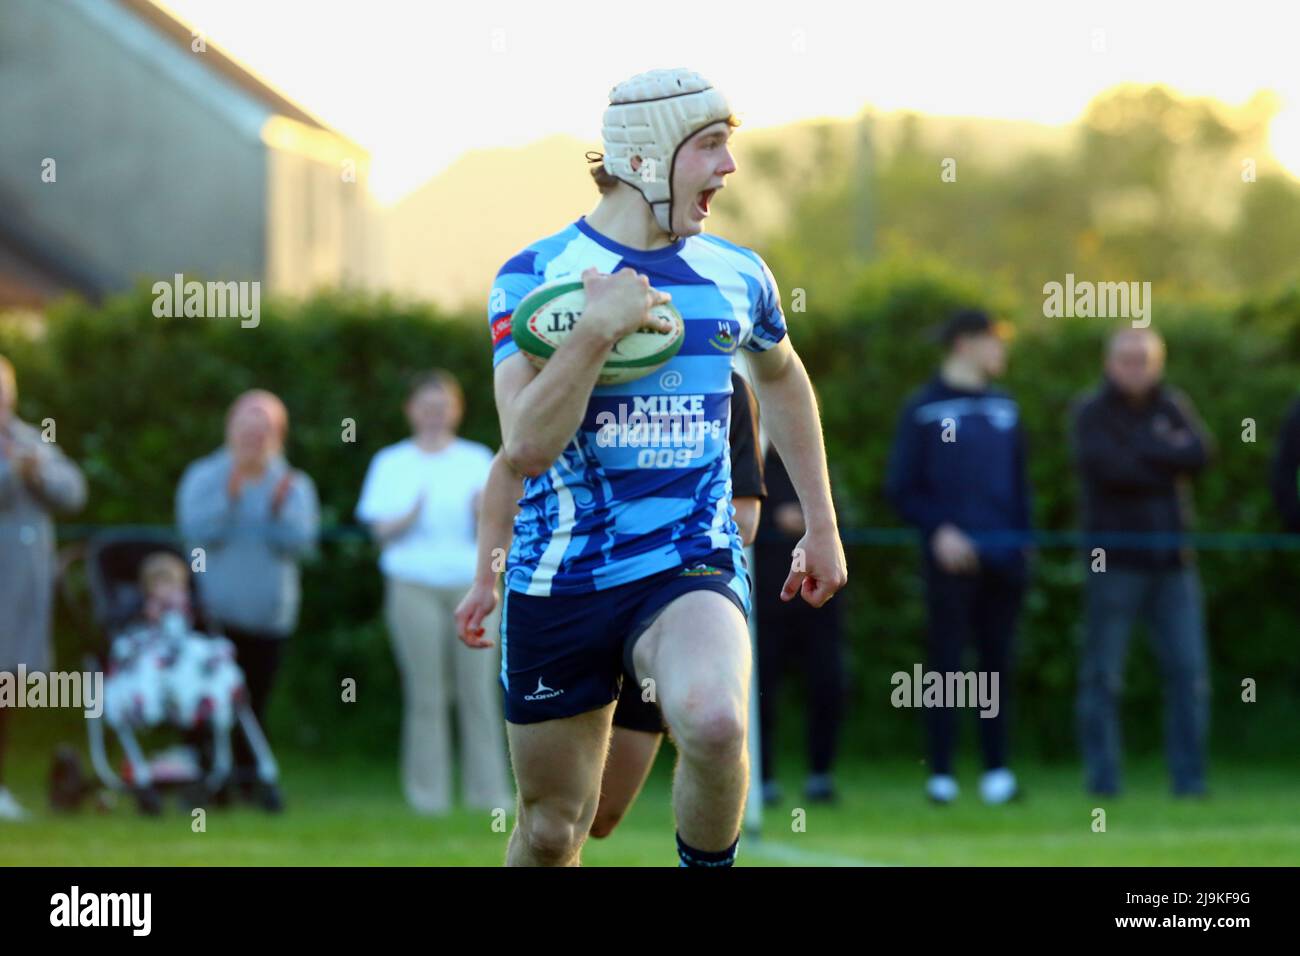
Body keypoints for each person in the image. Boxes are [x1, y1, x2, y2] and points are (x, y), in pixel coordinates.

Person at [483, 68, 846, 867]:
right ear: (649, 155)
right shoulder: (532, 277)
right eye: (711, 146)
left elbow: (783, 377)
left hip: (690, 562)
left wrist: (821, 524)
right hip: (559, 579)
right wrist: (596, 332)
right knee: (555, 831)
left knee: (716, 721)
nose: (729, 168)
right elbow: (526, 448)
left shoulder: (737, 274)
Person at [455, 371, 766, 838]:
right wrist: (485, 581)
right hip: (569, 597)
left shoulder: (722, 383)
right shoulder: (573, 367)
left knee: (603, 816)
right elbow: (509, 469)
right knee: (561, 825)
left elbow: (744, 518)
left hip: (668, 600)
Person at [885, 309, 1031, 805]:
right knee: (945, 667)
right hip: (947, 563)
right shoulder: (922, 408)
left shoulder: (1006, 407)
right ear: (965, 344)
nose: (1001, 352)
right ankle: (941, 775)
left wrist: (1020, 546)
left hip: (1003, 561)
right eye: (995, 341)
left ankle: (997, 773)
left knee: (997, 665)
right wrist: (940, 532)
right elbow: (901, 487)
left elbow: (1020, 489)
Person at [356, 370, 513, 815]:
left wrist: (482, 512)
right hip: (413, 586)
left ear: (457, 410)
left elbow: (501, 523)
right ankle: (429, 798)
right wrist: (408, 515)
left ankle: (489, 795)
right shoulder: (392, 462)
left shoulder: (477, 458)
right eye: (425, 405)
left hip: (471, 588)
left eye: (442, 405)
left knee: (479, 692)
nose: (434, 414)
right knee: (426, 693)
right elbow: (379, 530)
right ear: (410, 410)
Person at [1072, 328, 1212, 797]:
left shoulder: (1171, 404)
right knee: (1104, 675)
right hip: (1112, 563)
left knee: (1188, 673)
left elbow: (1201, 453)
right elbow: (1111, 469)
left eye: (1145, 359)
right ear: (1109, 362)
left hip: (1173, 562)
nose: (1136, 368)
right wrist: (1162, 452)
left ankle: (1190, 782)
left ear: (1158, 363)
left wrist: (1146, 448)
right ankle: (1104, 782)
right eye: (1127, 359)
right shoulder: (1091, 411)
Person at [176, 389, 319, 803]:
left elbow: (300, 542)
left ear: (279, 435)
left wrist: (272, 505)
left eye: (264, 431)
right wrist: (232, 494)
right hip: (212, 616)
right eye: (247, 430)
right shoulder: (204, 477)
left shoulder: (293, 485)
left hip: (269, 617)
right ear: (229, 428)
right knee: (209, 704)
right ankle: (208, 781)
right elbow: (196, 534)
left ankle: (246, 778)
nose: (254, 440)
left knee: (253, 703)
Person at [0, 354, 87, 821]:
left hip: (24, 588)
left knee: (10, 685)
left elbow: (73, 491)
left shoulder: (31, 439)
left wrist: (40, 472)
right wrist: (12, 474)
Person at [755, 444, 844, 805]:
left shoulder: (817, 467)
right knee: (761, 690)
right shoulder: (748, 461)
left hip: (818, 602)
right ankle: (763, 779)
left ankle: (820, 775)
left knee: (829, 683)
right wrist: (775, 516)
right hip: (765, 599)